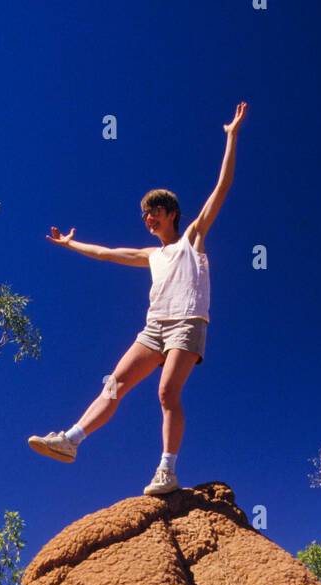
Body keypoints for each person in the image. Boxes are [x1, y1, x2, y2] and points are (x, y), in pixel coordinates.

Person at [28, 102, 248, 496]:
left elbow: (222, 188)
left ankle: (168, 470)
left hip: (187, 322)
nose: (147, 219)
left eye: (153, 212)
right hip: (153, 328)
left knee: (166, 391)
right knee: (114, 383)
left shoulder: (192, 238)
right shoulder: (151, 255)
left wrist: (231, 137)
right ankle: (71, 440)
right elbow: (108, 252)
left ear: (170, 213)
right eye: (145, 215)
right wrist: (70, 243)